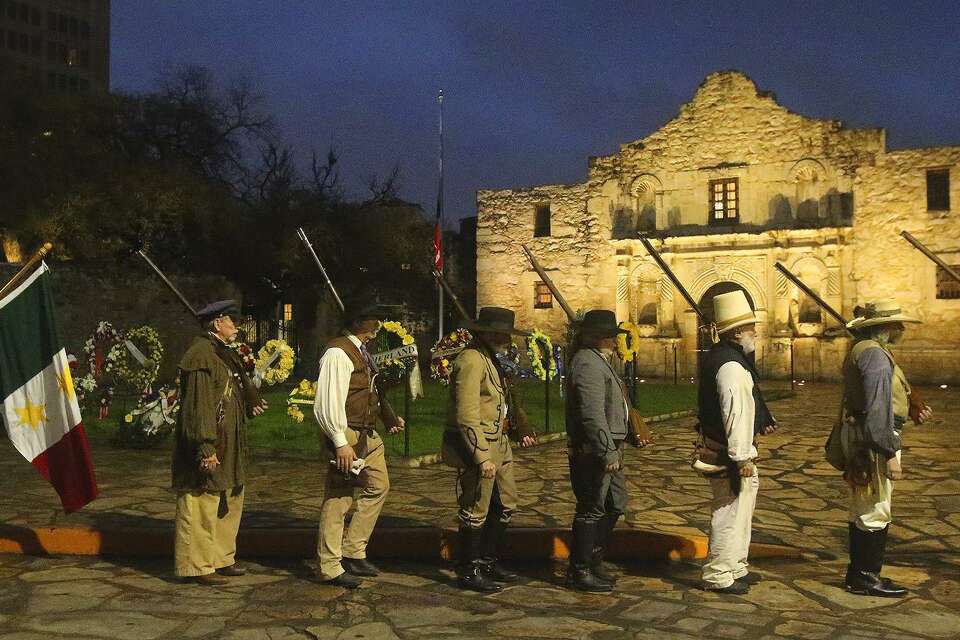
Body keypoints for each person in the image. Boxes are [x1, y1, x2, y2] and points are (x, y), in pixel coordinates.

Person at [840, 299, 931, 597]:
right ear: (886, 327)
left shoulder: (866, 350)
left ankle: (860, 575)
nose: (902, 329)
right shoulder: (875, 357)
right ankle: (866, 577)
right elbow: (878, 410)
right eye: (898, 324)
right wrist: (890, 452)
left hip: (864, 437)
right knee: (875, 509)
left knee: (863, 509)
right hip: (874, 442)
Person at [172, 300, 266, 585]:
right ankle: (197, 565)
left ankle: (221, 557)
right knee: (201, 502)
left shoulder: (221, 353)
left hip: (230, 440)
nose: (236, 327)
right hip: (211, 440)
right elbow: (198, 407)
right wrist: (205, 447)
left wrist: (248, 405)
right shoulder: (201, 355)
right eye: (232, 321)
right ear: (217, 323)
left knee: (229, 499)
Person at [442, 307, 536, 593]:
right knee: (475, 508)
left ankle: (487, 561)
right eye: (502, 333)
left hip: (500, 440)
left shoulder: (490, 357)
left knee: (506, 502)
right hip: (480, 444)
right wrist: (481, 456)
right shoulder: (471, 360)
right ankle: (469, 570)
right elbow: (467, 414)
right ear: (487, 332)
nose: (506, 338)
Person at [314, 296, 404, 588]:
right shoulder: (338, 353)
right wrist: (340, 442)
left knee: (379, 485)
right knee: (339, 498)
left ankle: (353, 549)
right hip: (347, 434)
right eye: (372, 319)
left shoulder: (361, 350)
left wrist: (388, 418)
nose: (377, 325)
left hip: (367, 433)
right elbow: (327, 403)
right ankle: (329, 565)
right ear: (358, 322)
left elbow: (369, 390)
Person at [695, 290, 776, 594]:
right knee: (729, 512)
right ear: (738, 332)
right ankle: (718, 573)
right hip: (730, 454)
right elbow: (735, 412)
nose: (755, 333)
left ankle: (735, 566)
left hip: (731, 451)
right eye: (750, 328)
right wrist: (742, 456)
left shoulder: (726, 358)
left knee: (740, 512)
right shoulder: (730, 366)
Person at [565, 309, 650, 592]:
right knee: (591, 507)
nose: (615, 341)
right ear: (597, 337)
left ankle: (592, 558)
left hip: (610, 445)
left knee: (616, 502)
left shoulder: (599, 360)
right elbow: (591, 413)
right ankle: (579, 569)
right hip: (595, 450)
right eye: (610, 336)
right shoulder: (588, 363)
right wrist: (606, 450)